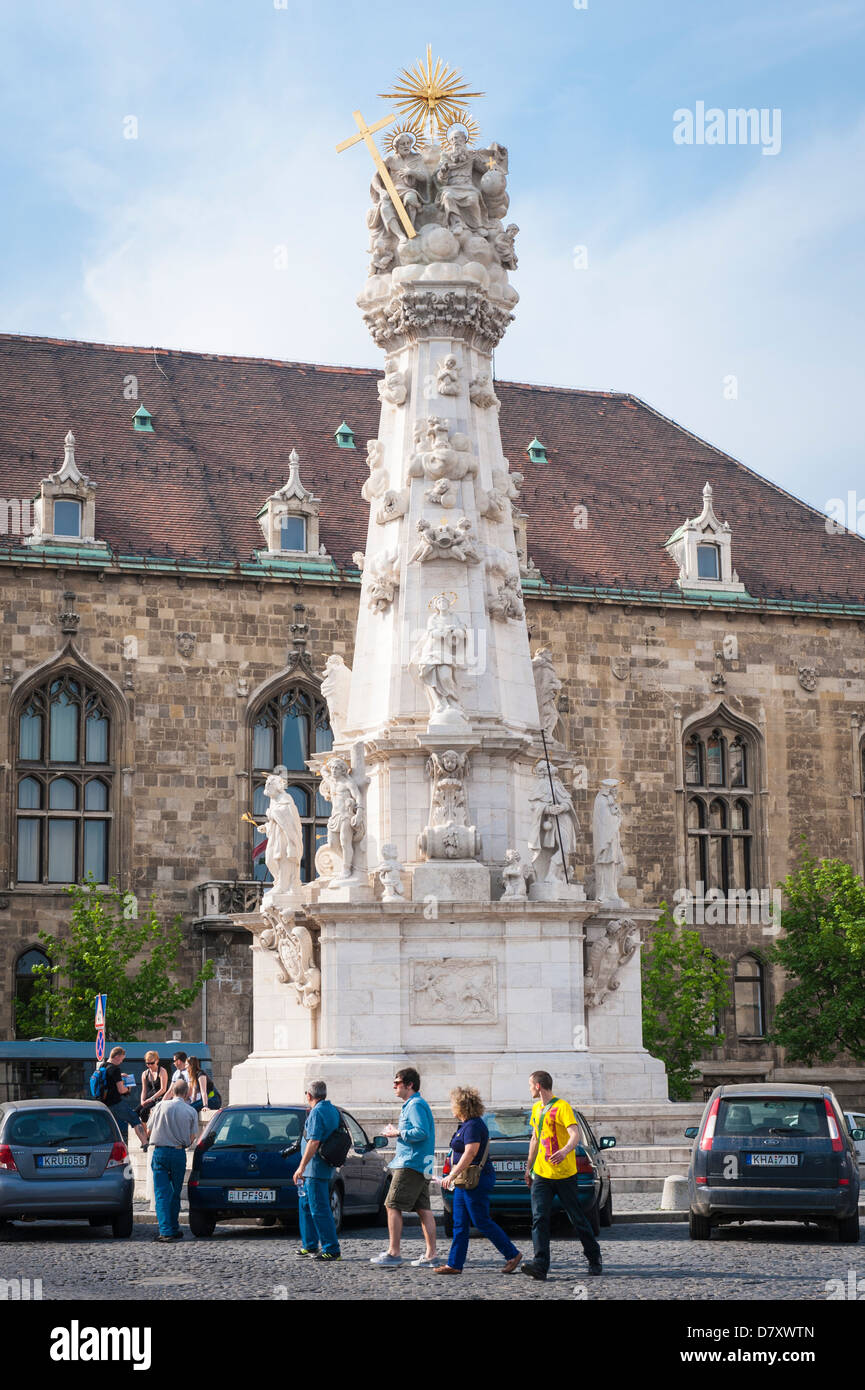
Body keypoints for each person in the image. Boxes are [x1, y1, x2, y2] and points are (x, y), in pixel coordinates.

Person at [522, 1070, 602, 1281]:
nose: (529, 1088)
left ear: (538, 1086)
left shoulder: (562, 1107)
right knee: (539, 1218)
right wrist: (528, 1167)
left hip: (565, 1174)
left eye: (530, 1085)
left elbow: (575, 1133)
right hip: (541, 1174)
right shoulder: (536, 1108)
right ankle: (540, 1265)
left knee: (576, 1218)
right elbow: (534, 1139)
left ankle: (594, 1257)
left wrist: (565, 1151)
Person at [435, 1086, 522, 1276]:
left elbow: (471, 1152)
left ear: (462, 1106)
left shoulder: (474, 1125)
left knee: (481, 1220)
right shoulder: (465, 1125)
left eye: (453, 1103)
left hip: (475, 1179)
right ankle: (454, 1264)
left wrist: (451, 1175)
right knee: (459, 1222)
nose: (451, 1107)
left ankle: (512, 1254)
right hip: (464, 1181)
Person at [370, 1067, 437, 1269]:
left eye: (397, 1082)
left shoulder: (415, 1104)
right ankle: (431, 1254)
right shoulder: (414, 1104)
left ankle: (394, 1252)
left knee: (392, 1204)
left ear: (409, 1085)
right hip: (421, 1162)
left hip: (411, 1162)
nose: (394, 1085)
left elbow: (421, 1132)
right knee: (424, 1209)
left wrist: (398, 1132)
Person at [292, 1081, 342, 1263]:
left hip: (314, 1167)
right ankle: (310, 1244)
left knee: (319, 1208)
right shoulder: (332, 1110)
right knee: (306, 1204)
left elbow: (314, 1141)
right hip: (321, 1166)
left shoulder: (317, 1112)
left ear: (309, 1095)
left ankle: (331, 1248)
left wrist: (301, 1167)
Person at [147, 1079, 198, 1242]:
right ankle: (174, 1227)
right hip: (178, 1153)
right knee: (175, 1192)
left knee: (162, 1193)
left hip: (160, 1152)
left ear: (172, 1090)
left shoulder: (160, 1106)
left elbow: (148, 1129)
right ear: (187, 1093)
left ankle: (166, 1230)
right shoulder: (191, 1111)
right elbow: (191, 1138)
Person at [101, 1045, 149, 1150]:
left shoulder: (103, 1066)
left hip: (104, 1104)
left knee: (113, 1124)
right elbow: (121, 1090)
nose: (121, 1062)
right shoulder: (115, 1069)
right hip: (115, 1103)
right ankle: (145, 1143)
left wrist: (119, 1076)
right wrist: (129, 1088)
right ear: (117, 1056)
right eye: (122, 1059)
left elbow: (108, 1081)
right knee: (134, 1119)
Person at [138, 1051, 169, 1123]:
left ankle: (148, 1132)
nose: (150, 1065)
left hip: (159, 1098)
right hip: (148, 1099)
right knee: (135, 1113)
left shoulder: (162, 1071)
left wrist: (151, 1099)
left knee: (143, 1112)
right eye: (147, 1063)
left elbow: (163, 1089)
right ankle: (145, 1133)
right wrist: (142, 1100)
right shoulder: (145, 1073)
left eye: (152, 1063)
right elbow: (144, 1090)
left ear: (157, 1061)